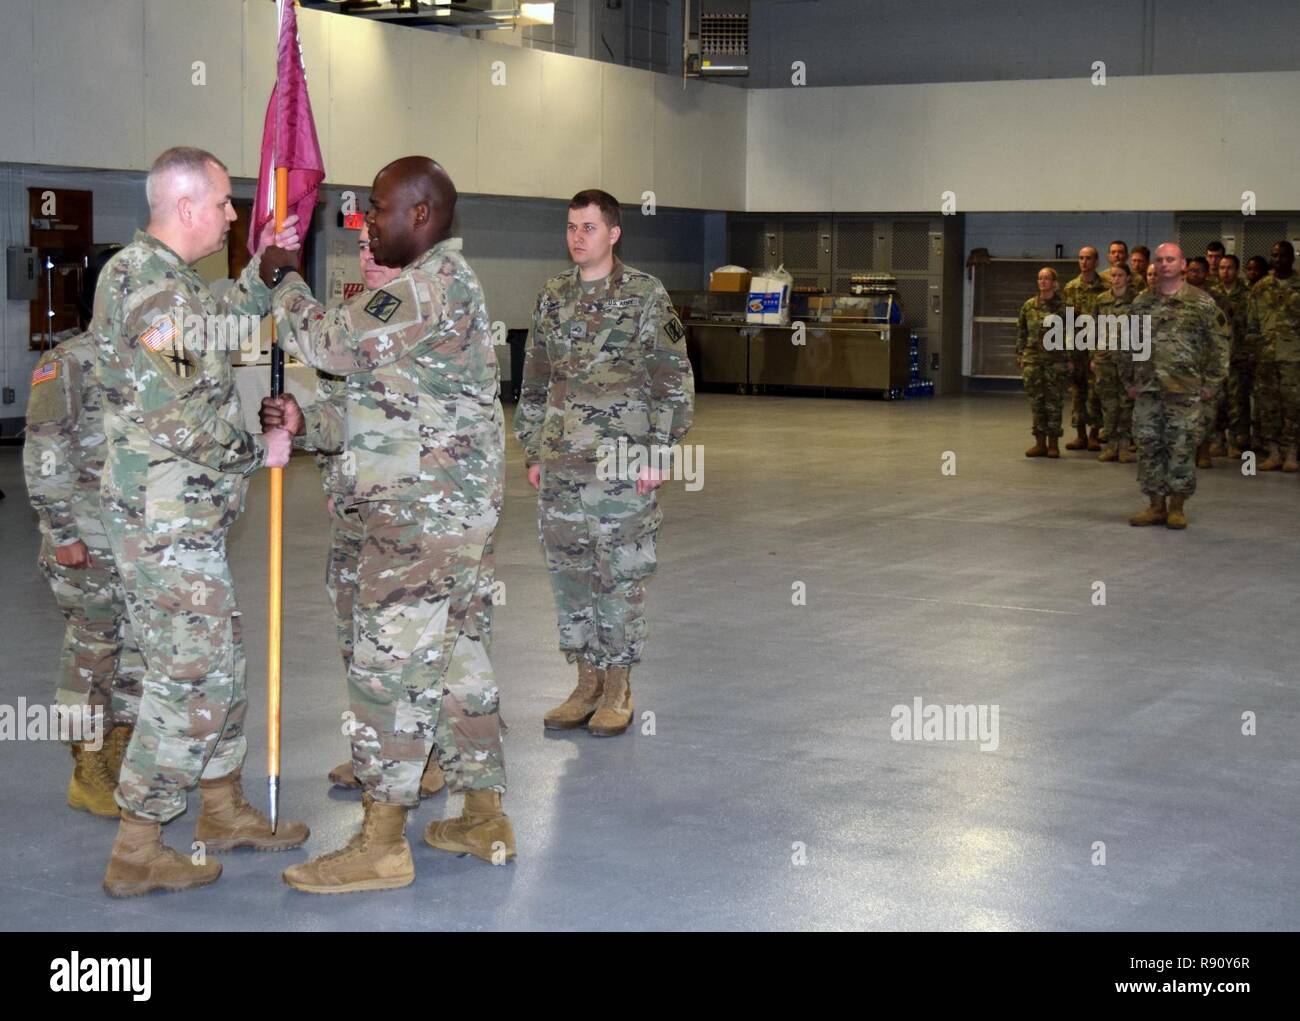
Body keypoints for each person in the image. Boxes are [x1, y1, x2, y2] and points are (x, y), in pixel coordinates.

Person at [260, 155, 511, 893]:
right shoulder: (433, 290)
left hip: (420, 521)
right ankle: (484, 812)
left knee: (389, 669)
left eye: (378, 208)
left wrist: (285, 280)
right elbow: (380, 399)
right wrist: (314, 418)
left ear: (422, 215)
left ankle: (381, 841)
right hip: (446, 514)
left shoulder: (425, 288)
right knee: (461, 663)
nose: (368, 221)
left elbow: (330, 342)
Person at [94, 146, 306, 898]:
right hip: (164, 523)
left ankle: (220, 808)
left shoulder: (175, 281)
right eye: (222, 202)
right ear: (185, 206)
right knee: (191, 678)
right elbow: (183, 414)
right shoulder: (145, 287)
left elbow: (216, 320)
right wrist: (262, 446)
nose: (231, 214)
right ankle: (138, 842)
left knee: (220, 661)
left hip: (189, 519)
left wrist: (264, 275)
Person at [514, 189, 694, 737]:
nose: (576, 237)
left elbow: (674, 378)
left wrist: (660, 452)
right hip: (562, 463)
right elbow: (536, 377)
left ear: (614, 233)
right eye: (571, 226)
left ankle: (618, 686)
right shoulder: (552, 296)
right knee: (570, 574)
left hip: (622, 462)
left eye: (588, 228)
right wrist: (534, 447)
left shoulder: (644, 294)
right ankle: (585, 681)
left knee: (621, 574)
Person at [299, 224, 446, 800]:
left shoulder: (419, 315)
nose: (370, 256)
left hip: (410, 512)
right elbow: (334, 415)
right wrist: (311, 442)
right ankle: (376, 750)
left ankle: (423, 758)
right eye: (360, 249)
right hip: (355, 512)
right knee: (357, 637)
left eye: (375, 245)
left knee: (412, 643)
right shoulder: (350, 324)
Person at [23, 245, 143, 817]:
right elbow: (44, 451)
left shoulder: (153, 357)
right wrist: (60, 529)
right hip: (87, 540)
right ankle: (86, 767)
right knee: (94, 651)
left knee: (137, 652)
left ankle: (119, 753)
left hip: (142, 541)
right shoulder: (66, 361)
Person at [1122, 243, 1229, 529]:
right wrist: (1128, 381)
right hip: (1147, 389)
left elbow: (1220, 347)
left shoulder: (1202, 303)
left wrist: (1212, 385)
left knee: (1181, 446)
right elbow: (1128, 345)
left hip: (1185, 390)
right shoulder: (1141, 303)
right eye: (1159, 260)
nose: (1164, 264)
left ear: (1182, 264)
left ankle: (1177, 507)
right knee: (1148, 446)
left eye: (1170, 259)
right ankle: (1155, 505)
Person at [1247, 241, 1300, 472]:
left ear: (1292, 258)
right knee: (1268, 405)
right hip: (1266, 356)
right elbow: (1251, 324)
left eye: (1283, 256)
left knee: (1293, 405)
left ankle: (1291, 453)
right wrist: (1254, 351)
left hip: (1294, 358)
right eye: (1275, 255)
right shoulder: (1260, 288)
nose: (1278, 260)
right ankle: (1274, 451)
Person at [1015, 267, 1068, 458]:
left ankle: (1053, 444)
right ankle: (1040, 443)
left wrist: (1069, 358)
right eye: (1040, 278)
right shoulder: (1029, 305)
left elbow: (1073, 335)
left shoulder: (1063, 308)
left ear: (1054, 282)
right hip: (1033, 361)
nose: (1043, 281)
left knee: (1054, 403)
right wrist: (1020, 355)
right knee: (1036, 403)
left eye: (1047, 278)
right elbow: (1021, 331)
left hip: (1055, 362)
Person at [1092, 261, 1137, 463]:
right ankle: (1111, 445)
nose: (1116, 279)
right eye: (1113, 275)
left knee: (1126, 403)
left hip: (1128, 360)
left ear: (1128, 277)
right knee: (1109, 404)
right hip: (1105, 360)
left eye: (1120, 275)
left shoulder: (1137, 300)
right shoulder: (1101, 300)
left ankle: (1125, 445)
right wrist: (1093, 356)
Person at [1062, 247, 1106, 450]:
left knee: (1095, 392)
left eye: (1088, 258)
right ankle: (1080, 434)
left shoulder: (1105, 288)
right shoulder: (1070, 288)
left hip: (1097, 347)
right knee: (1077, 392)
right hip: (1076, 348)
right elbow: (1064, 321)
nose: (1084, 262)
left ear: (1096, 261)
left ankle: (1094, 434)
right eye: (1081, 258)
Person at [1212, 254, 1253, 456]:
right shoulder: (1212, 294)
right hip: (1216, 357)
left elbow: (1251, 325)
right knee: (1217, 400)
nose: (1225, 271)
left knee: (1237, 400)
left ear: (1237, 270)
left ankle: (1234, 441)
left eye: (1229, 268)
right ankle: (1218, 439)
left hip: (1238, 356)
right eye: (1221, 268)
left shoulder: (1247, 294)